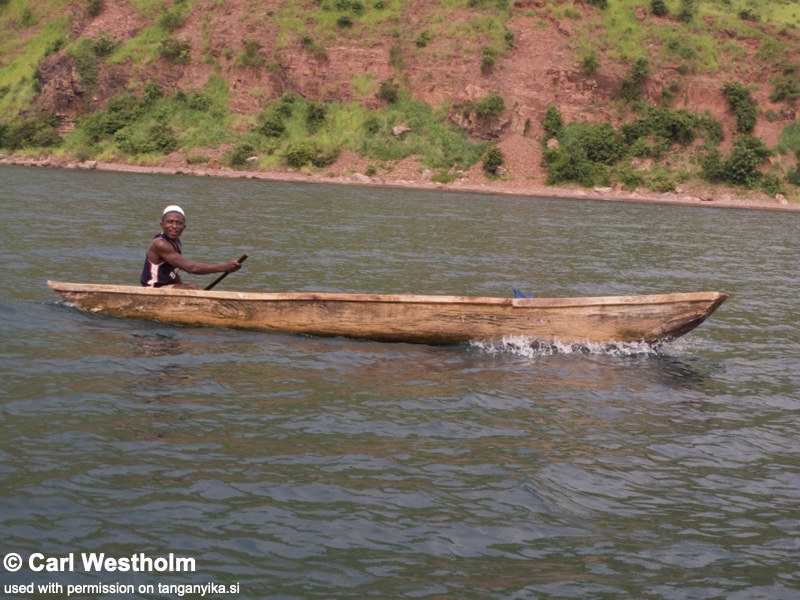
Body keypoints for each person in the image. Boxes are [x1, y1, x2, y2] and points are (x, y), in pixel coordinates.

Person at [141, 205, 242, 289]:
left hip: (168, 286)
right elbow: (190, 268)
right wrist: (224, 267)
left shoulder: (176, 242)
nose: (174, 226)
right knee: (191, 288)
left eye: (179, 223)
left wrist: (181, 286)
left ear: (184, 227)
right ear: (161, 225)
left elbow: (175, 272)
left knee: (190, 288)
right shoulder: (160, 244)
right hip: (154, 289)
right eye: (170, 222)